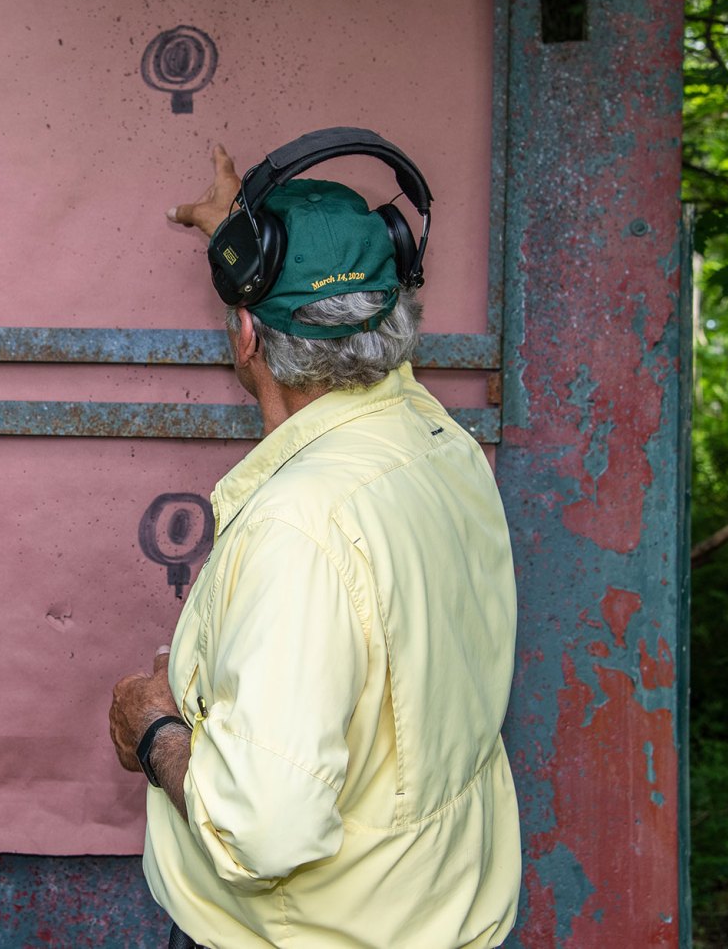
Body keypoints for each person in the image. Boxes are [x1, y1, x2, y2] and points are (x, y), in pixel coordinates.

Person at [108, 141, 522, 948]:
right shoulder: (438, 440)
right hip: (427, 916)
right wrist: (243, 239)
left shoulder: (299, 529)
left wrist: (157, 730)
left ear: (248, 338)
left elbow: (262, 830)